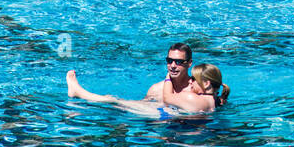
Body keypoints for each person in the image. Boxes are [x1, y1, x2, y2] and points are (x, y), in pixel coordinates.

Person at [67, 43, 230, 116]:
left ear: (189, 64)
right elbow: (140, 106)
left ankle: (79, 93)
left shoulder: (197, 88)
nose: (172, 66)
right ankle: (79, 93)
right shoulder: (157, 89)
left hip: (185, 132)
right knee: (116, 102)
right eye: (169, 61)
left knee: (114, 101)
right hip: (164, 125)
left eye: (179, 62)